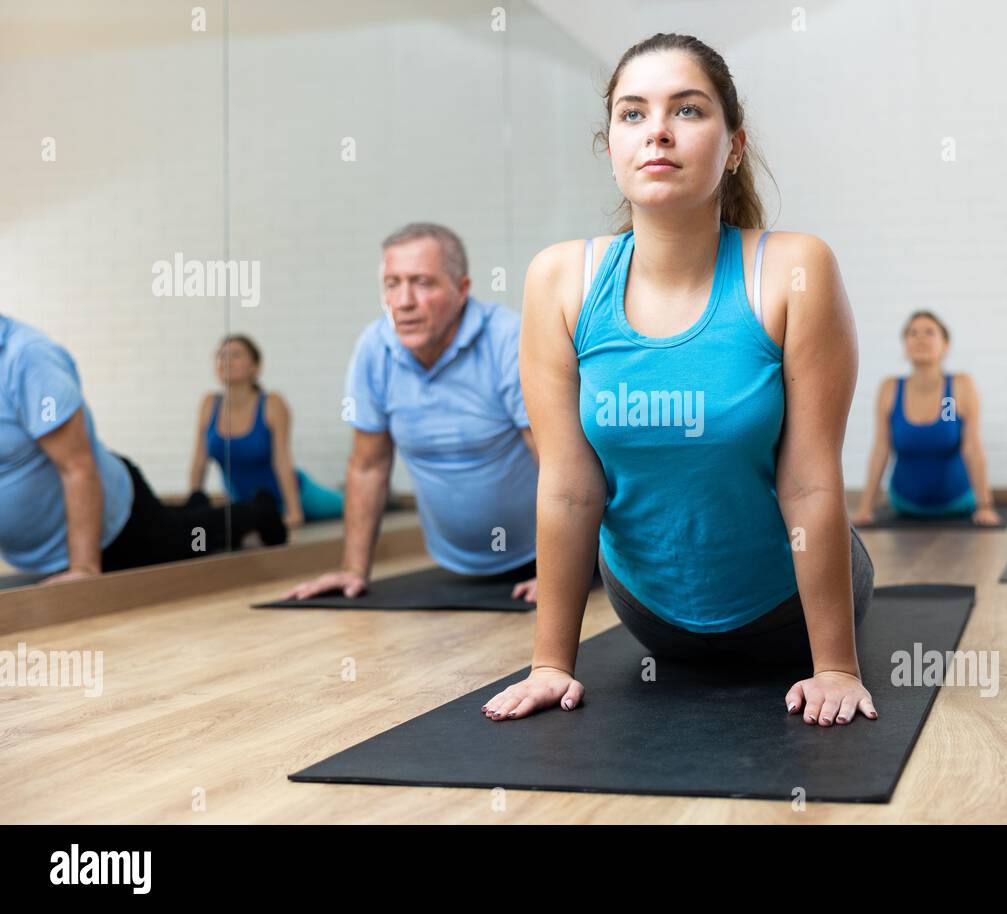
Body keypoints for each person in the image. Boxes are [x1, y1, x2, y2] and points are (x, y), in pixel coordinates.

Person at [484, 33, 877, 728]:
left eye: (688, 110)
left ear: (733, 146)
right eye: (632, 114)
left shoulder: (792, 269)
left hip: (791, 610)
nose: (657, 131)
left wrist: (836, 668)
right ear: (610, 151)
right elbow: (570, 486)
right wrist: (550, 664)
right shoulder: (561, 280)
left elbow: (811, 480)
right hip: (653, 619)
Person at [283, 223, 541, 602]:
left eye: (422, 282)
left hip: (544, 556)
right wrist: (354, 569)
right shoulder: (375, 348)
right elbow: (368, 466)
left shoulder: (508, 340)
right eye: (392, 284)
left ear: (462, 289)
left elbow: (559, 462)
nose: (403, 301)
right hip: (456, 567)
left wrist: (562, 569)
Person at [0, 314, 285, 583]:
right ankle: (194, 504)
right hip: (47, 552)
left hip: (117, 521)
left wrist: (84, 568)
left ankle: (258, 510)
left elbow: (77, 466)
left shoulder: (29, 360)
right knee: (181, 520)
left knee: (190, 540)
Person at [851, 310, 998, 525]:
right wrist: (865, 509)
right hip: (904, 505)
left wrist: (985, 507)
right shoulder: (890, 389)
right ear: (904, 345)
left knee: (949, 425)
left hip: (958, 503)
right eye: (912, 333)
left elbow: (973, 449)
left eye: (929, 332)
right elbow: (881, 449)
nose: (920, 338)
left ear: (946, 345)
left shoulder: (958, 386)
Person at [188, 334, 344, 527]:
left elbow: (282, 459)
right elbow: (199, 461)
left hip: (296, 496)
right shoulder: (209, 404)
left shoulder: (272, 404)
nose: (226, 361)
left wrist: (294, 511)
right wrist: (193, 510)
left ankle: (367, 493)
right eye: (221, 355)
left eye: (236, 355)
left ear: (255, 367)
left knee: (351, 505)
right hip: (246, 506)